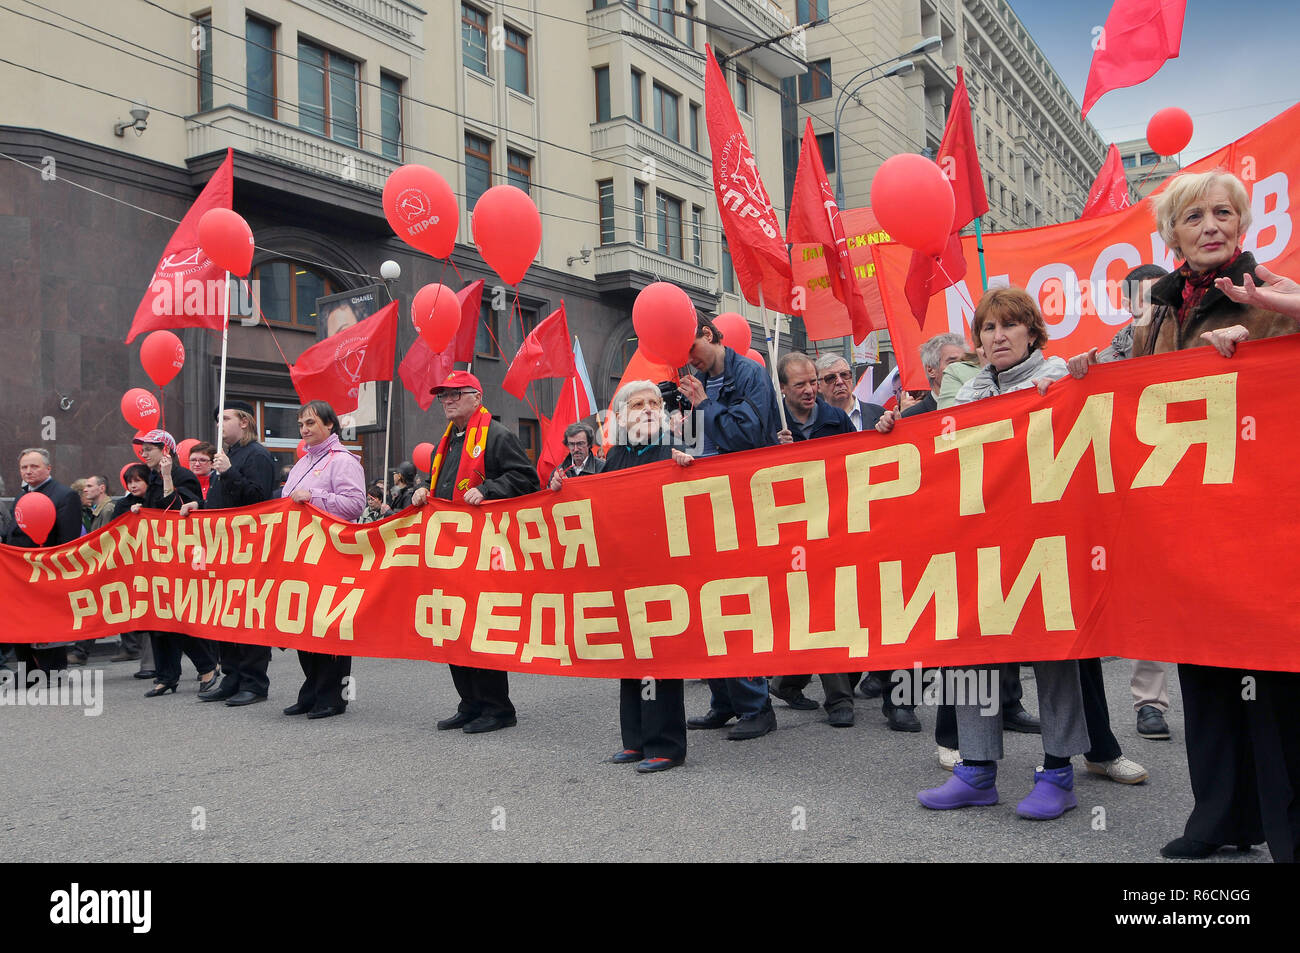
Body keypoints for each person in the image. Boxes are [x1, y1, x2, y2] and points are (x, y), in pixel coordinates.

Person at [1073, 170, 1300, 861]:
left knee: (1276, 688)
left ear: (1241, 225)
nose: (1211, 224)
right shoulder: (1157, 314)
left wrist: (1262, 342)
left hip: (1262, 530)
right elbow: (1109, 391)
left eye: (1224, 213)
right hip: (1185, 530)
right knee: (1204, 677)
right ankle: (1219, 819)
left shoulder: (1275, 292)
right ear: (1172, 232)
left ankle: (1289, 831)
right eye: (1194, 215)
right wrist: (1077, 371)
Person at [896, 288, 1090, 820]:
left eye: (1009, 326)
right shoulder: (965, 395)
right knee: (971, 647)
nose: (998, 336)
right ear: (978, 341)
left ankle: (1058, 772)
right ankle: (977, 770)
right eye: (988, 328)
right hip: (981, 542)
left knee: (1053, 651)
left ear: (1032, 332)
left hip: (1044, 539)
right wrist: (895, 431)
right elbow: (931, 455)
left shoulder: (1059, 380)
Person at [1067, 265, 1175, 743]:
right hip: (1134, 485)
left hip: (1190, 479)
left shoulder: (1192, 332)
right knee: (1149, 590)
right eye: (1138, 299)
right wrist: (1078, 369)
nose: (1146, 307)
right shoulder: (1115, 346)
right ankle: (1150, 702)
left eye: (1154, 298)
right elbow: (1083, 381)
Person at [412, 371, 541, 734]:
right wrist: (423, 491)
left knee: (481, 629)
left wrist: (491, 489)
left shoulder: (497, 436)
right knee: (454, 628)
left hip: (483, 552)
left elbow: (528, 480)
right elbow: (446, 485)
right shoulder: (446, 443)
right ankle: (470, 703)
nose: (447, 401)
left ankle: (498, 708)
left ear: (476, 397)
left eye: (455, 395)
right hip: (450, 553)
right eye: (443, 397)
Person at [678, 313, 782, 741]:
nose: (688, 362)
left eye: (690, 350)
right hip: (702, 506)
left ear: (708, 333)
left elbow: (748, 436)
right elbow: (692, 443)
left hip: (739, 507)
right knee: (707, 607)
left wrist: (703, 403)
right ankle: (724, 701)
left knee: (737, 606)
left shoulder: (750, 374)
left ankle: (757, 706)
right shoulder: (692, 383)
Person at [600, 380, 695, 772]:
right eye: (638, 404)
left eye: (654, 403)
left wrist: (689, 470)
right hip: (625, 573)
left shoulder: (675, 452)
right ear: (621, 416)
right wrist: (559, 487)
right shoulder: (614, 457)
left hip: (662, 572)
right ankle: (635, 740)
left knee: (658, 658)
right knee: (629, 657)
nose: (648, 409)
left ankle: (666, 745)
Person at [769, 352, 863, 728]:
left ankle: (826, 693)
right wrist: (775, 454)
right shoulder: (770, 423)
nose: (810, 391)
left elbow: (859, 463)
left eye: (813, 382)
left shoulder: (835, 419)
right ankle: (814, 689)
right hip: (790, 532)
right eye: (800, 385)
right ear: (782, 389)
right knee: (810, 608)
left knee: (830, 605)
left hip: (832, 526)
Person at [184, 402, 278, 707]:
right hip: (224, 550)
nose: (220, 424)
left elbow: (260, 501)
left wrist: (230, 472)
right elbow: (223, 502)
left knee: (248, 615)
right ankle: (232, 676)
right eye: (218, 420)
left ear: (244, 422)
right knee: (227, 615)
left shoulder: (257, 456)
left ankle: (254, 682)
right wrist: (202, 507)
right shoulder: (227, 456)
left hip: (249, 549)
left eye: (225, 418)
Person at [280, 400, 366, 719]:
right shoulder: (303, 462)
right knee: (305, 625)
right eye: (301, 424)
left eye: (311, 423)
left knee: (328, 626)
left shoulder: (342, 461)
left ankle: (334, 696)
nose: (305, 430)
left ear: (330, 425)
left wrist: (314, 497)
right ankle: (312, 690)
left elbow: (354, 505)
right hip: (302, 556)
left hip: (332, 555)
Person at [128, 430, 221, 698]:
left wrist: (168, 476)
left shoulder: (181, 476)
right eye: (141, 449)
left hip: (180, 560)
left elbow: (178, 510)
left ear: (164, 451)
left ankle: (207, 666)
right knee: (157, 620)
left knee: (176, 617)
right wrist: (136, 507)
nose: (143, 454)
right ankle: (166, 676)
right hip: (156, 560)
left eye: (149, 449)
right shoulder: (152, 478)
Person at [3, 448, 83, 678]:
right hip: (19, 575)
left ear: (48, 468)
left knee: (47, 623)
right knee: (22, 622)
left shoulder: (64, 495)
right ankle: (26, 670)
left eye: (34, 466)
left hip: (47, 572)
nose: (28, 471)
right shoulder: (21, 496)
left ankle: (52, 671)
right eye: (24, 467)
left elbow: (67, 539)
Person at [111, 464, 156, 677]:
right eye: (130, 481)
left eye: (138, 480)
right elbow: (113, 533)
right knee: (141, 612)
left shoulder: (156, 501)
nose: (133, 485)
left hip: (157, 566)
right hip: (133, 567)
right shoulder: (122, 506)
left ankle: (151, 665)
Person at [901, 333, 967, 418]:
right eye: (952, 363)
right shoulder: (912, 418)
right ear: (931, 370)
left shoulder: (978, 405)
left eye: (964, 362)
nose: (961, 367)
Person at [815, 353, 885, 431]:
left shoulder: (880, 414)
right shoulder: (812, 423)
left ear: (851, 378)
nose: (840, 382)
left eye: (844, 375)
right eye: (830, 378)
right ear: (818, 386)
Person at [547, 422, 604, 490]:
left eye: (580, 444)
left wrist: (570, 486)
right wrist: (553, 490)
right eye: (571, 444)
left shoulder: (603, 468)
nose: (576, 449)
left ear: (589, 444)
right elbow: (549, 498)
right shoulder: (558, 472)